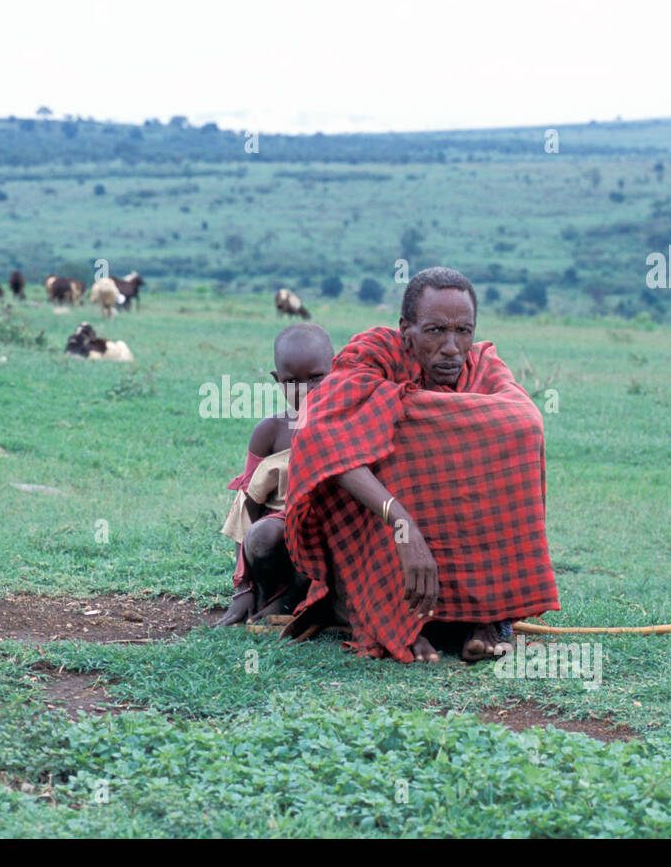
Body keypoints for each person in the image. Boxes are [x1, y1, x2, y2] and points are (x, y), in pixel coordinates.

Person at [283, 267, 561, 663]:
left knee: (510, 440)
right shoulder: (373, 356)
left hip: (467, 539)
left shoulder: (482, 367)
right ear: (406, 330)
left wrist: (408, 413)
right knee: (391, 451)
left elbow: (525, 421)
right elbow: (320, 435)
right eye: (434, 331)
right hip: (386, 536)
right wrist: (400, 522)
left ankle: (485, 616)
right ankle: (404, 617)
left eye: (463, 331)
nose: (451, 347)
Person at [217, 323, 334, 626]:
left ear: (336, 371)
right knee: (264, 534)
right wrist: (242, 588)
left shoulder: (349, 423)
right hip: (281, 542)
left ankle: (314, 601)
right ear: (277, 381)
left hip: (333, 534)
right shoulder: (270, 432)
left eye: (317, 378)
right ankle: (272, 597)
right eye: (292, 381)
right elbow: (246, 507)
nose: (306, 389)